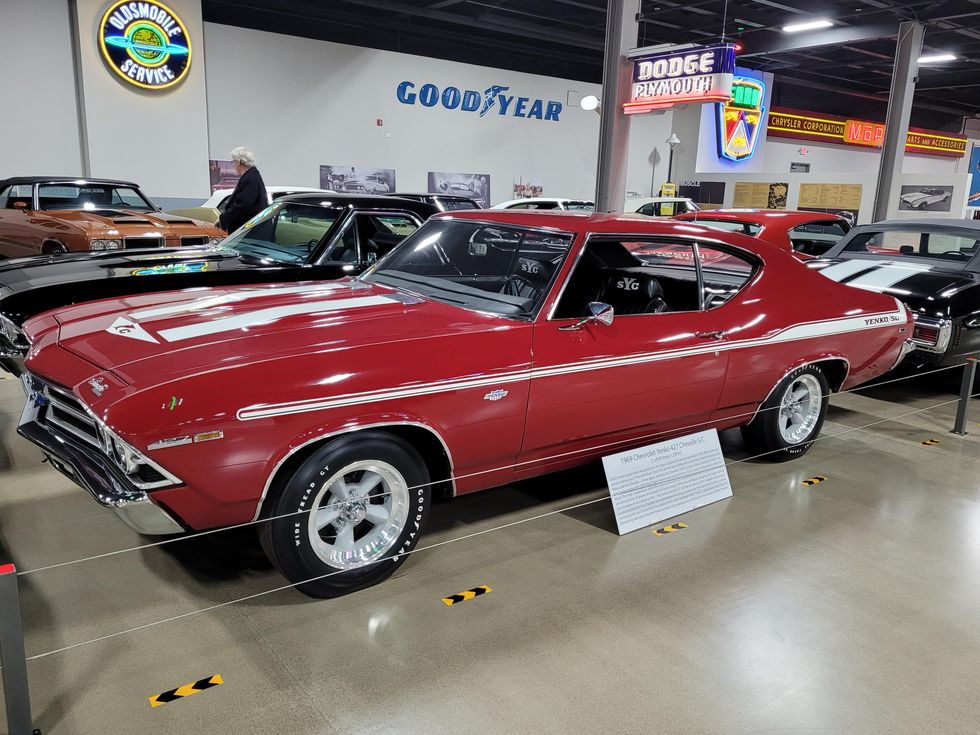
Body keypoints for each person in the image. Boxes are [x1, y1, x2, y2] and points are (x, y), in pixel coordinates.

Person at [218, 147, 266, 233]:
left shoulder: (249, 179)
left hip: (247, 233)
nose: (234, 166)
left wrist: (223, 219)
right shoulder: (253, 176)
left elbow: (241, 206)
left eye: (233, 162)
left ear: (238, 162)